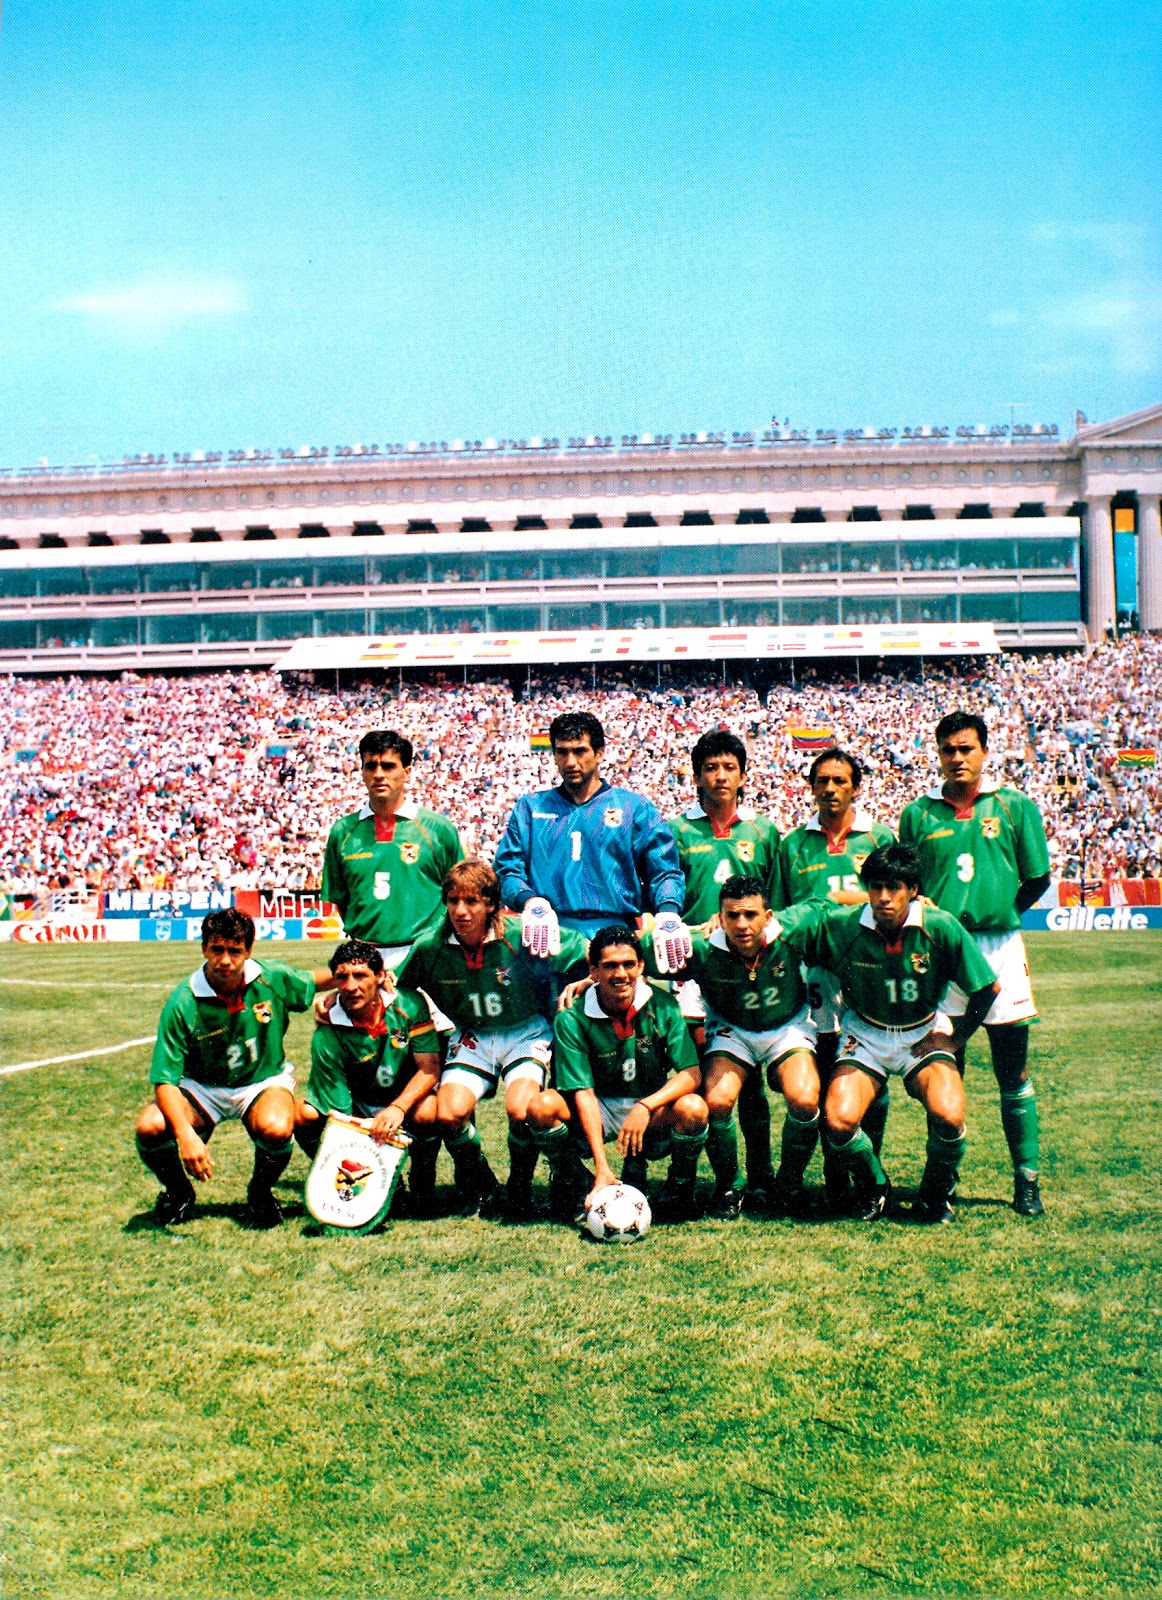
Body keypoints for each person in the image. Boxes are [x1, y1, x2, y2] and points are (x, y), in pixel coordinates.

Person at [779, 844, 999, 1223]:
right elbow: (807, 916)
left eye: (894, 887)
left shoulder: (939, 925)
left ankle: (935, 1193)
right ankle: (875, 1185)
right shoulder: (844, 926)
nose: (884, 897)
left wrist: (955, 1039)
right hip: (866, 1033)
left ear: (913, 890)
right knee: (838, 1121)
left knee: (949, 1116)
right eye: (876, 887)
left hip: (922, 1032)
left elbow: (988, 988)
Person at [898, 711, 1052, 1216]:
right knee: (945, 1069)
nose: (957, 758)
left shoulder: (1013, 805)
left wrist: (1002, 912)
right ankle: (943, 1181)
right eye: (948, 750)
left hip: (998, 947)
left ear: (984, 751)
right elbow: (908, 885)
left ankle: (1026, 1179)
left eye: (966, 748)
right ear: (938, 754)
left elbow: (1037, 878)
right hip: (941, 950)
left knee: (1012, 1068)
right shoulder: (918, 814)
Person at [398, 860, 590, 1217]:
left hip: (524, 1031)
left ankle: (519, 1186)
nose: (460, 911)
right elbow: (396, 986)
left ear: (491, 904)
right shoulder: (431, 946)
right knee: (449, 1113)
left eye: (471, 901)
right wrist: (334, 999)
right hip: (472, 1035)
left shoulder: (520, 934)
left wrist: (586, 978)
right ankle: (480, 1181)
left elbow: (589, 949)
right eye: (453, 900)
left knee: (520, 1109)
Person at [134, 908, 336, 1227]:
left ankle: (260, 1192)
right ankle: (178, 1192)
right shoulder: (183, 1001)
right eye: (217, 949)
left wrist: (373, 974)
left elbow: (318, 979)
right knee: (150, 1126)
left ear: (249, 951)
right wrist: (185, 1135)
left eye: (235, 951)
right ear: (204, 948)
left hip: (261, 1081)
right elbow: (164, 1079)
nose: (225, 960)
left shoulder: (271, 977)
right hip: (201, 1087)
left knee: (276, 1128)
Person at [643, 874, 820, 1219]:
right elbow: (632, 954)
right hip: (732, 1029)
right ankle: (729, 1184)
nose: (741, 924)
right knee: (717, 1100)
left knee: (805, 1098)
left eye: (750, 914)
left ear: (768, 916)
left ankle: (789, 1183)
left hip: (787, 1027)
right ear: (719, 917)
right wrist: (590, 977)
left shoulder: (794, 929)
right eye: (732, 915)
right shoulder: (703, 946)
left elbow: (824, 905)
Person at [772, 747, 895, 1207]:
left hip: (867, 968)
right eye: (822, 780)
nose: (830, 789)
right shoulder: (793, 845)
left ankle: (866, 1174)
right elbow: (782, 915)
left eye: (840, 780)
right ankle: (833, 1176)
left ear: (855, 787)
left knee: (871, 1070)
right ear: (810, 787)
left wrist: (841, 904)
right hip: (815, 974)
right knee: (824, 1068)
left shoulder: (878, 837)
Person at [527, 925, 708, 1221]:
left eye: (628, 964)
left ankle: (679, 1189)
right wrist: (602, 1166)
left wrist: (645, 1106)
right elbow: (583, 1092)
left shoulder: (663, 1006)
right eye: (610, 965)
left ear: (641, 966)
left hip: (648, 1107)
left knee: (694, 1108)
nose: (620, 974)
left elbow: (691, 1073)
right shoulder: (571, 1015)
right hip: (597, 1106)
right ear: (593, 970)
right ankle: (578, 1181)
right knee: (540, 1106)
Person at [493, 711, 689, 968]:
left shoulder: (634, 808)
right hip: (548, 934)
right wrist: (529, 901)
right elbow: (507, 870)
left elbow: (663, 871)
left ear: (599, 753)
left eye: (580, 751)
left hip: (615, 936)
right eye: (562, 752)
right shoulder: (530, 808)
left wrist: (668, 912)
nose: (570, 761)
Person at [293, 939, 442, 1213]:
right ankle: (381, 1182)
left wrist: (397, 1108)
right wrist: (366, 1132)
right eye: (342, 977)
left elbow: (429, 1069)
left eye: (360, 975)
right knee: (304, 1115)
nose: (351, 986)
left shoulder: (409, 1004)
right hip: (357, 1107)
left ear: (381, 976)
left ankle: (423, 1178)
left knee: (429, 1110)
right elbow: (340, 1114)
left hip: (402, 1100)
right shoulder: (328, 1031)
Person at [321, 729, 463, 970]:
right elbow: (341, 900)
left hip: (425, 952)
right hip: (364, 957)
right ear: (362, 771)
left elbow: (460, 890)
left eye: (388, 766)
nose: (379, 774)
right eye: (371, 766)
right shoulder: (342, 832)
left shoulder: (438, 829)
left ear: (406, 772)